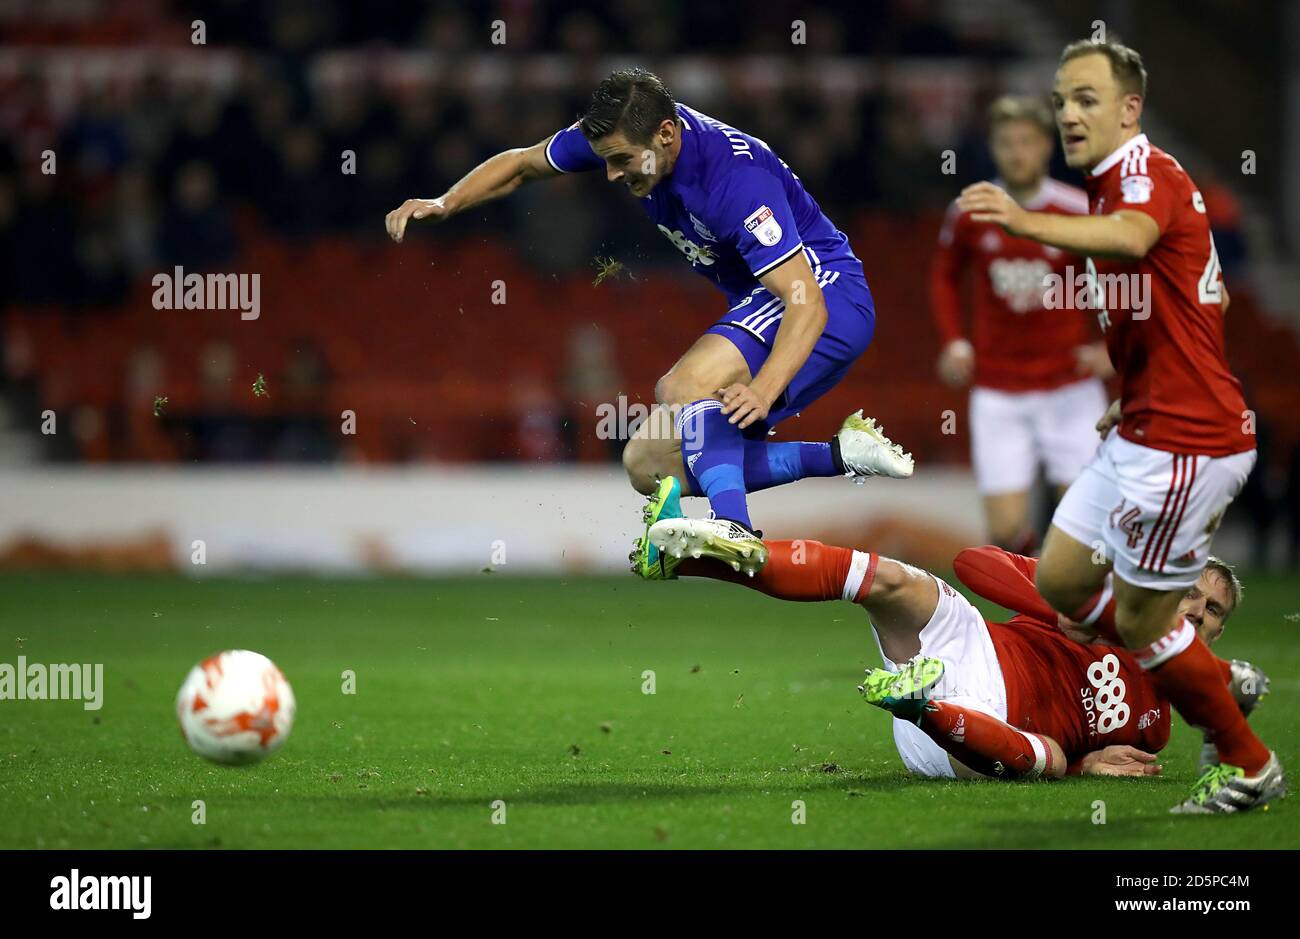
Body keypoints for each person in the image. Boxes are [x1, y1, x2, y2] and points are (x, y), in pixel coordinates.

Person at [385, 68, 912, 577]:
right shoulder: (632, 133)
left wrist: (765, 387)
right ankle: (843, 455)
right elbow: (524, 165)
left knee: (683, 386)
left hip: (826, 296)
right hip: (772, 299)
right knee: (648, 463)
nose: (612, 175)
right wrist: (446, 201)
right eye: (604, 161)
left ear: (666, 134)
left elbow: (806, 301)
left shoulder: (735, 180)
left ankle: (736, 529)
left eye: (620, 161)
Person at [954, 38, 1283, 813]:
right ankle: (1207, 672)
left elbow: (1136, 241)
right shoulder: (1112, 186)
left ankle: (1246, 755)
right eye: (1063, 98)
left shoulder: (1137, 176)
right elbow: (1207, 298)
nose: (1069, 112)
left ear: (1130, 109)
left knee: (1137, 618)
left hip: (1188, 439)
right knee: (1066, 581)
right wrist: (1138, 386)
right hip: (1148, 419)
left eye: (1088, 99)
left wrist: (1023, 219)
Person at [646, 504, 1269, 792]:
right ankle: (690, 558)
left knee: (1046, 757)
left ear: (1216, 634)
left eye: (1212, 611)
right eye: (1189, 592)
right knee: (888, 579)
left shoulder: (1155, 724)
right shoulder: (1091, 595)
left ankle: (920, 706)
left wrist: (1083, 765)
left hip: (980, 732)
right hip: (967, 648)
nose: (1196, 610)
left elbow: (1084, 756)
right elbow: (975, 563)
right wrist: (1063, 609)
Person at [931, 96, 1110, 551]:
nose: (1016, 152)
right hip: (998, 390)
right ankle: (1037, 605)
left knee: (1082, 530)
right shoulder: (972, 209)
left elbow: (1121, 277)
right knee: (1007, 534)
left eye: (1026, 142)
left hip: (1070, 386)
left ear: (1046, 146)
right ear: (993, 147)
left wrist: (1116, 347)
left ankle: (1074, 616)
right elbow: (944, 276)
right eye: (1006, 142)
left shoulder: (1076, 209)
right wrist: (954, 341)